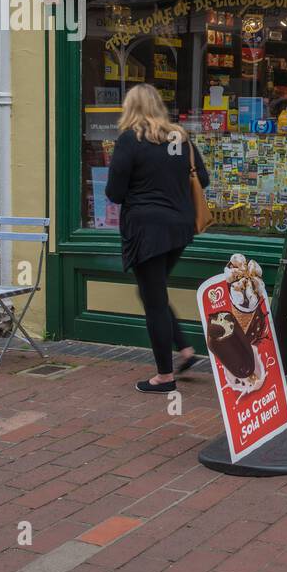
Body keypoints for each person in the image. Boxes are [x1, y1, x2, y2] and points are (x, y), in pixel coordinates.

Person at [105, 83, 209, 393]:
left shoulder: (129, 139)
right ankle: (185, 349)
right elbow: (202, 178)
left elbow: (114, 192)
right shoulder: (179, 137)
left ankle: (165, 377)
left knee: (153, 300)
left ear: (130, 108)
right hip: (179, 229)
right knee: (154, 293)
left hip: (146, 230)